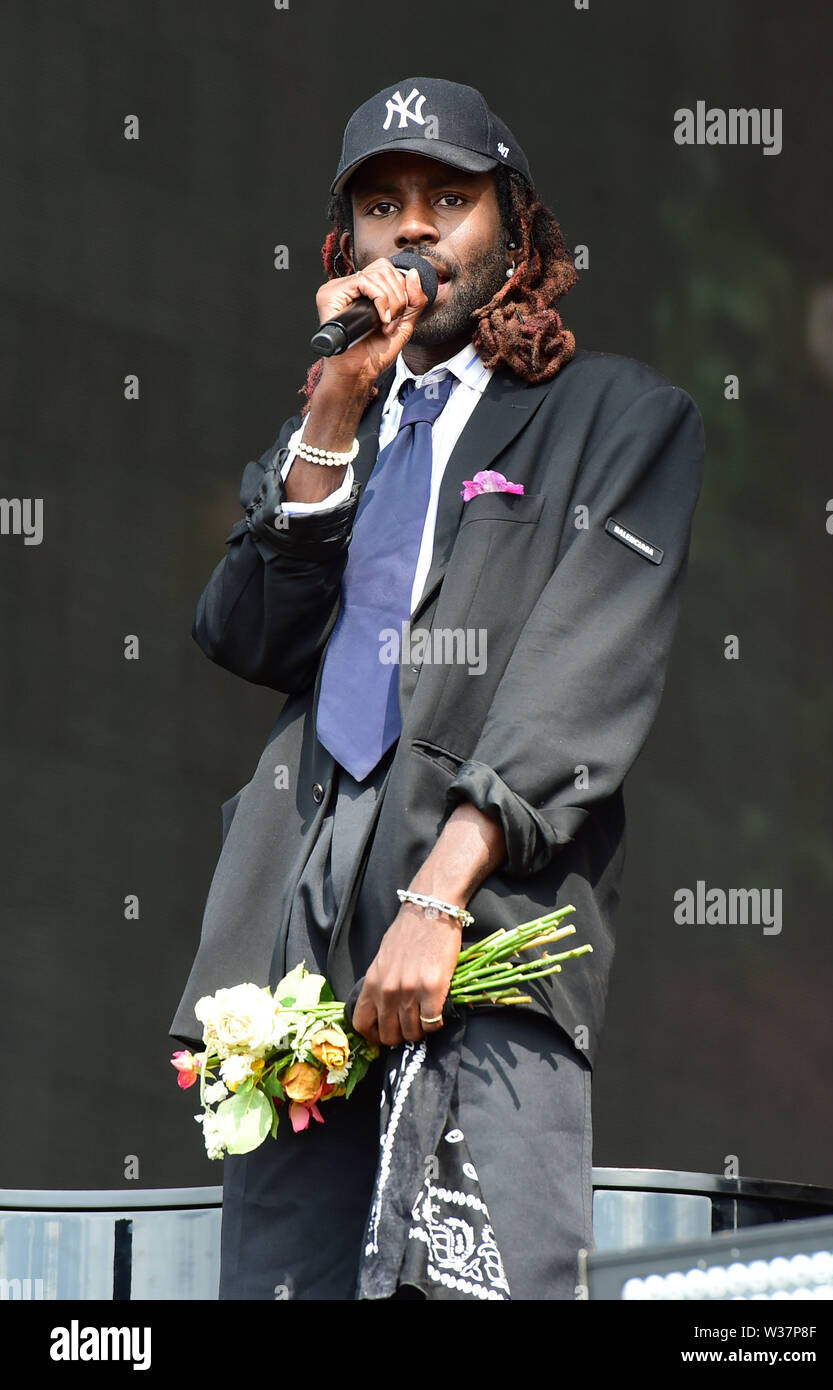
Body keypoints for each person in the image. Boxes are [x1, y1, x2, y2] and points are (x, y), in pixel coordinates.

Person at [170, 75, 705, 1301]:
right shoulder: (332, 432)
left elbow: (580, 677)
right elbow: (245, 630)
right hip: (295, 988)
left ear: (514, 236)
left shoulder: (616, 419)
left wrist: (439, 895)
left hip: (476, 944)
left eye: (447, 198)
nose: (409, 229)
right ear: (341, 247)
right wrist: (332, 412)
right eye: (378, 206)